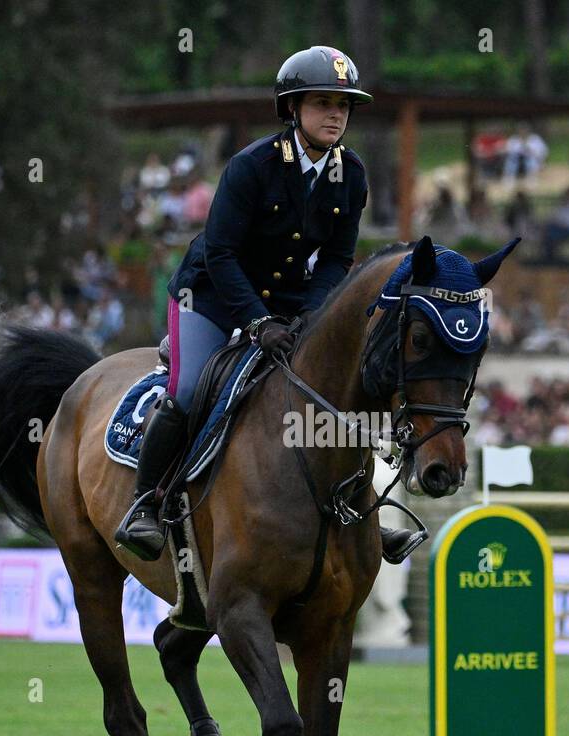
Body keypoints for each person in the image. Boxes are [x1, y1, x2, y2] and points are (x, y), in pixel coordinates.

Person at [115, 46, 421, 566]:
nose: (336, 115)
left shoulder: (353, 174)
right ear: (293, 108)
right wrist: (256, 323)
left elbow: (338, 258)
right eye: (323, 102)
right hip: (211, 296)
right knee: (188, 391)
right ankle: (146, 504)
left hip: (291, 304)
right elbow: (221, 252)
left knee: (339, 390)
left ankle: (364, 512)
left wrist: (312, 313)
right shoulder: (252, 166)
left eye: (344, 106)